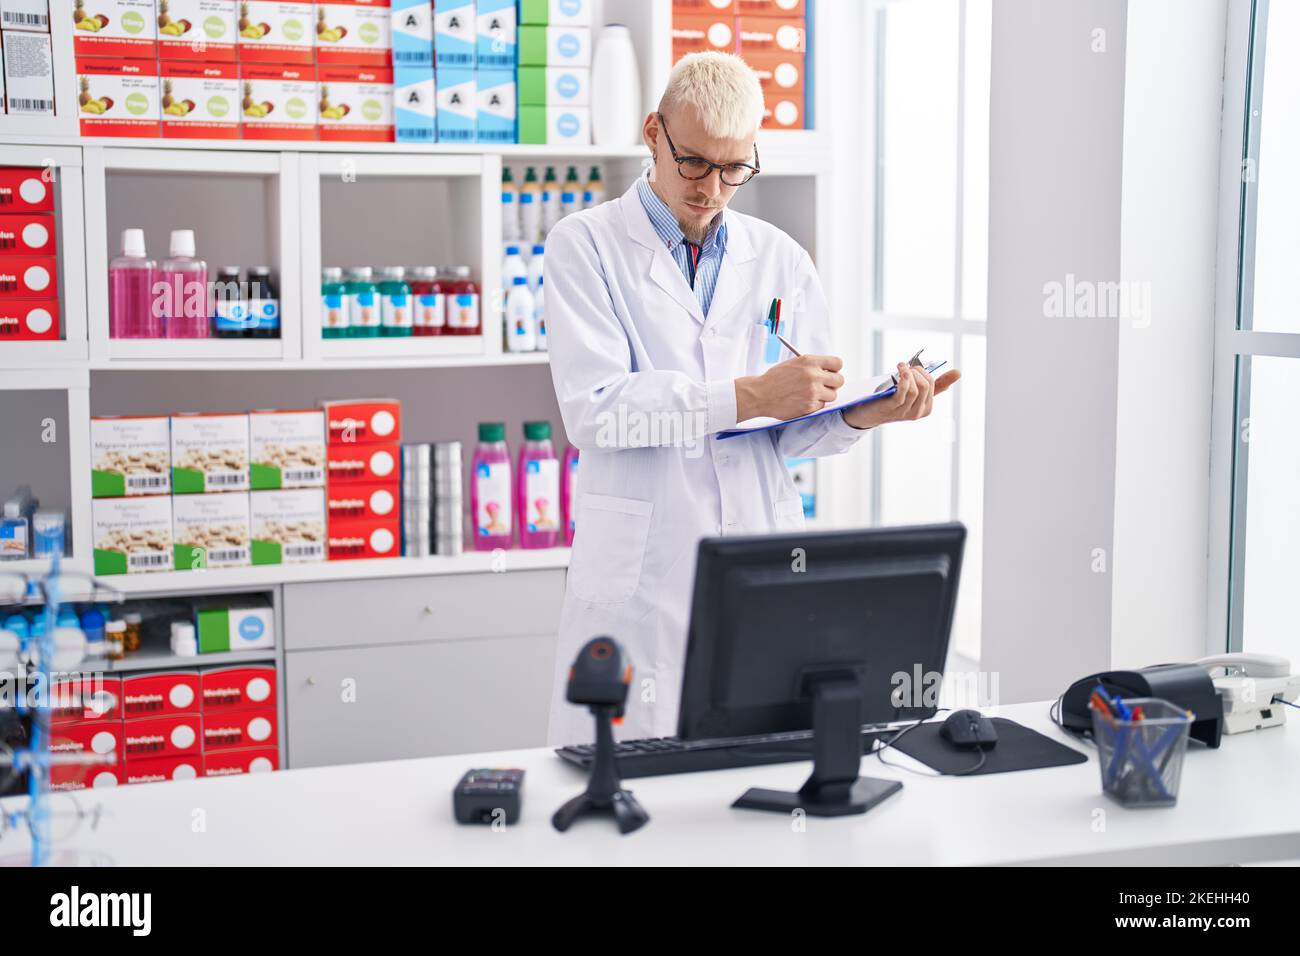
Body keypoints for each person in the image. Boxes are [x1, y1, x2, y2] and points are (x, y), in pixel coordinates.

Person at [545, 52, 961, 744]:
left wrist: (865, 412)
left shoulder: (779, 258)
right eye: (694, 163)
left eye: (734, 168)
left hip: (759, 558)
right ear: (653, 134)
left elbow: (795, 428)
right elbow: (596, 411)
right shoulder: (584, 246)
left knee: (754, 761)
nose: (712, 188)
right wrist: (748, 394)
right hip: (642, 572)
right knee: (633, 770)